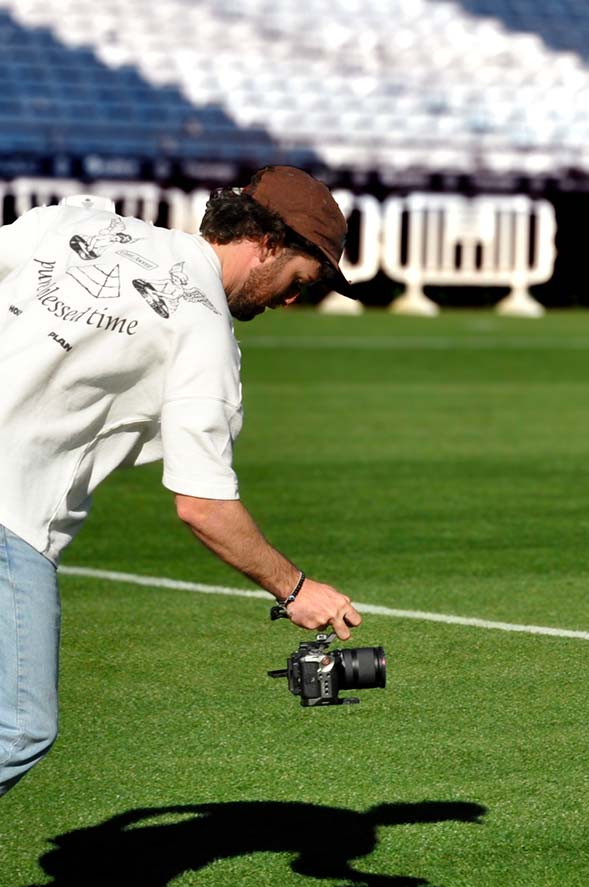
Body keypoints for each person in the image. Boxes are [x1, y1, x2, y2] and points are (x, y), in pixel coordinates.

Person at [0, 166, 362, 799]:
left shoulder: (79, 222)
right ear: (270, 244)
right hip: (10, 516)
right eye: (299, 280)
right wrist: (295, 588)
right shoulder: (202, 327)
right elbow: (202, 505)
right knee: (19, 728)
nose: (289, 299)